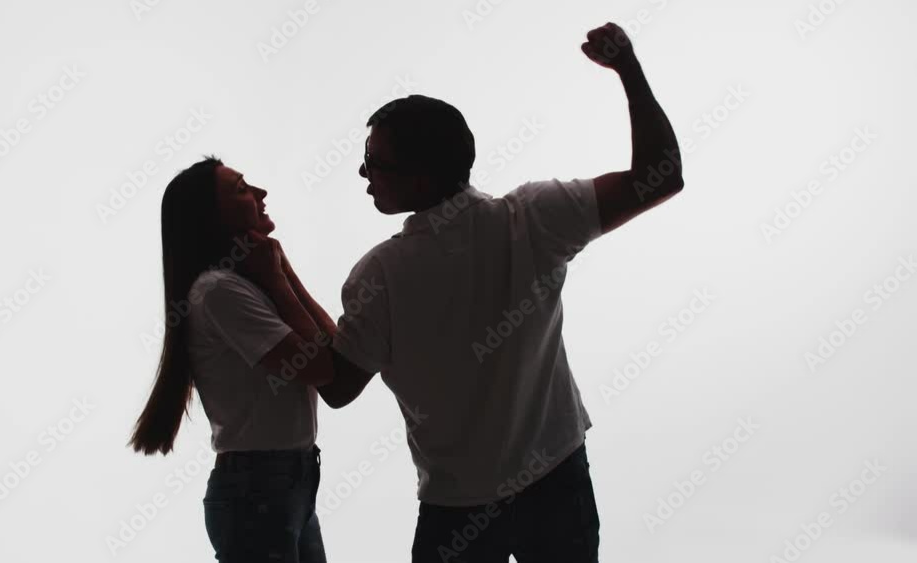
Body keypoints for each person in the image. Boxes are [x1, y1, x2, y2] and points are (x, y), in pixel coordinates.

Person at [316, 23, 685, 562]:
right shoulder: (532, 217)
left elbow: (339, 385)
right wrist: (627, 67)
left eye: (375, 162)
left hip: (455, 505)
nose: (363, 172)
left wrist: (275, 276)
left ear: (419, 176)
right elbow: (662, 174)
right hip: (557, 478)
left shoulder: (377, 275)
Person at [128, 157, 338, 562]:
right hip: (258, 492)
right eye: (242, 189)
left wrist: (282, 269)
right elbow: (322, 368)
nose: (260, 194)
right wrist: (278, 277)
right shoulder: (219, 290)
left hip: (287, 484)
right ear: (213, 218)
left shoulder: (243, 283)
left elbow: (334, 349)